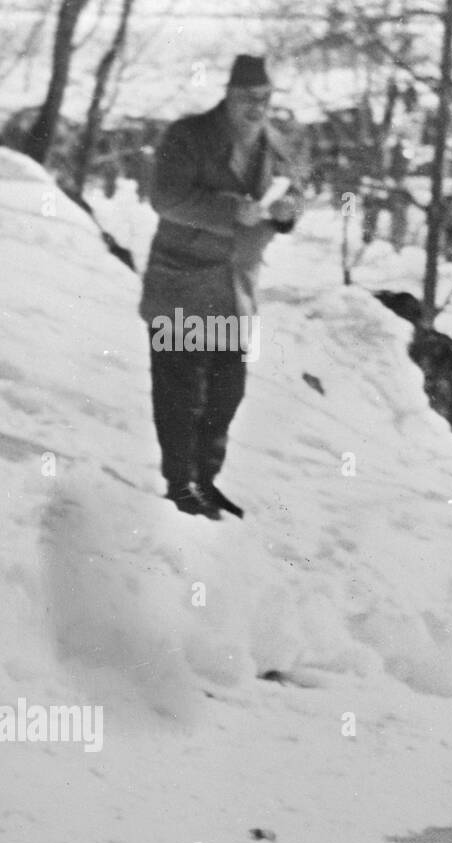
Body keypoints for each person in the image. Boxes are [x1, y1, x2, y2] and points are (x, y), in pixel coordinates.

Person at [138, 55, 303, 519]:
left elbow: (295, 190)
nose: (259, 107)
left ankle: (206, 481)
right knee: (180, 390)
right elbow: (166, 199)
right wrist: (229, 209)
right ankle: (178, 483)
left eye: (266, 98)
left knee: (226, 393)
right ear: (229, 95)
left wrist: (289, 211)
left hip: (234, 288)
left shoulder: (275, 143)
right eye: (250, 98)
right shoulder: (188, 136)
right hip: (183, 284)